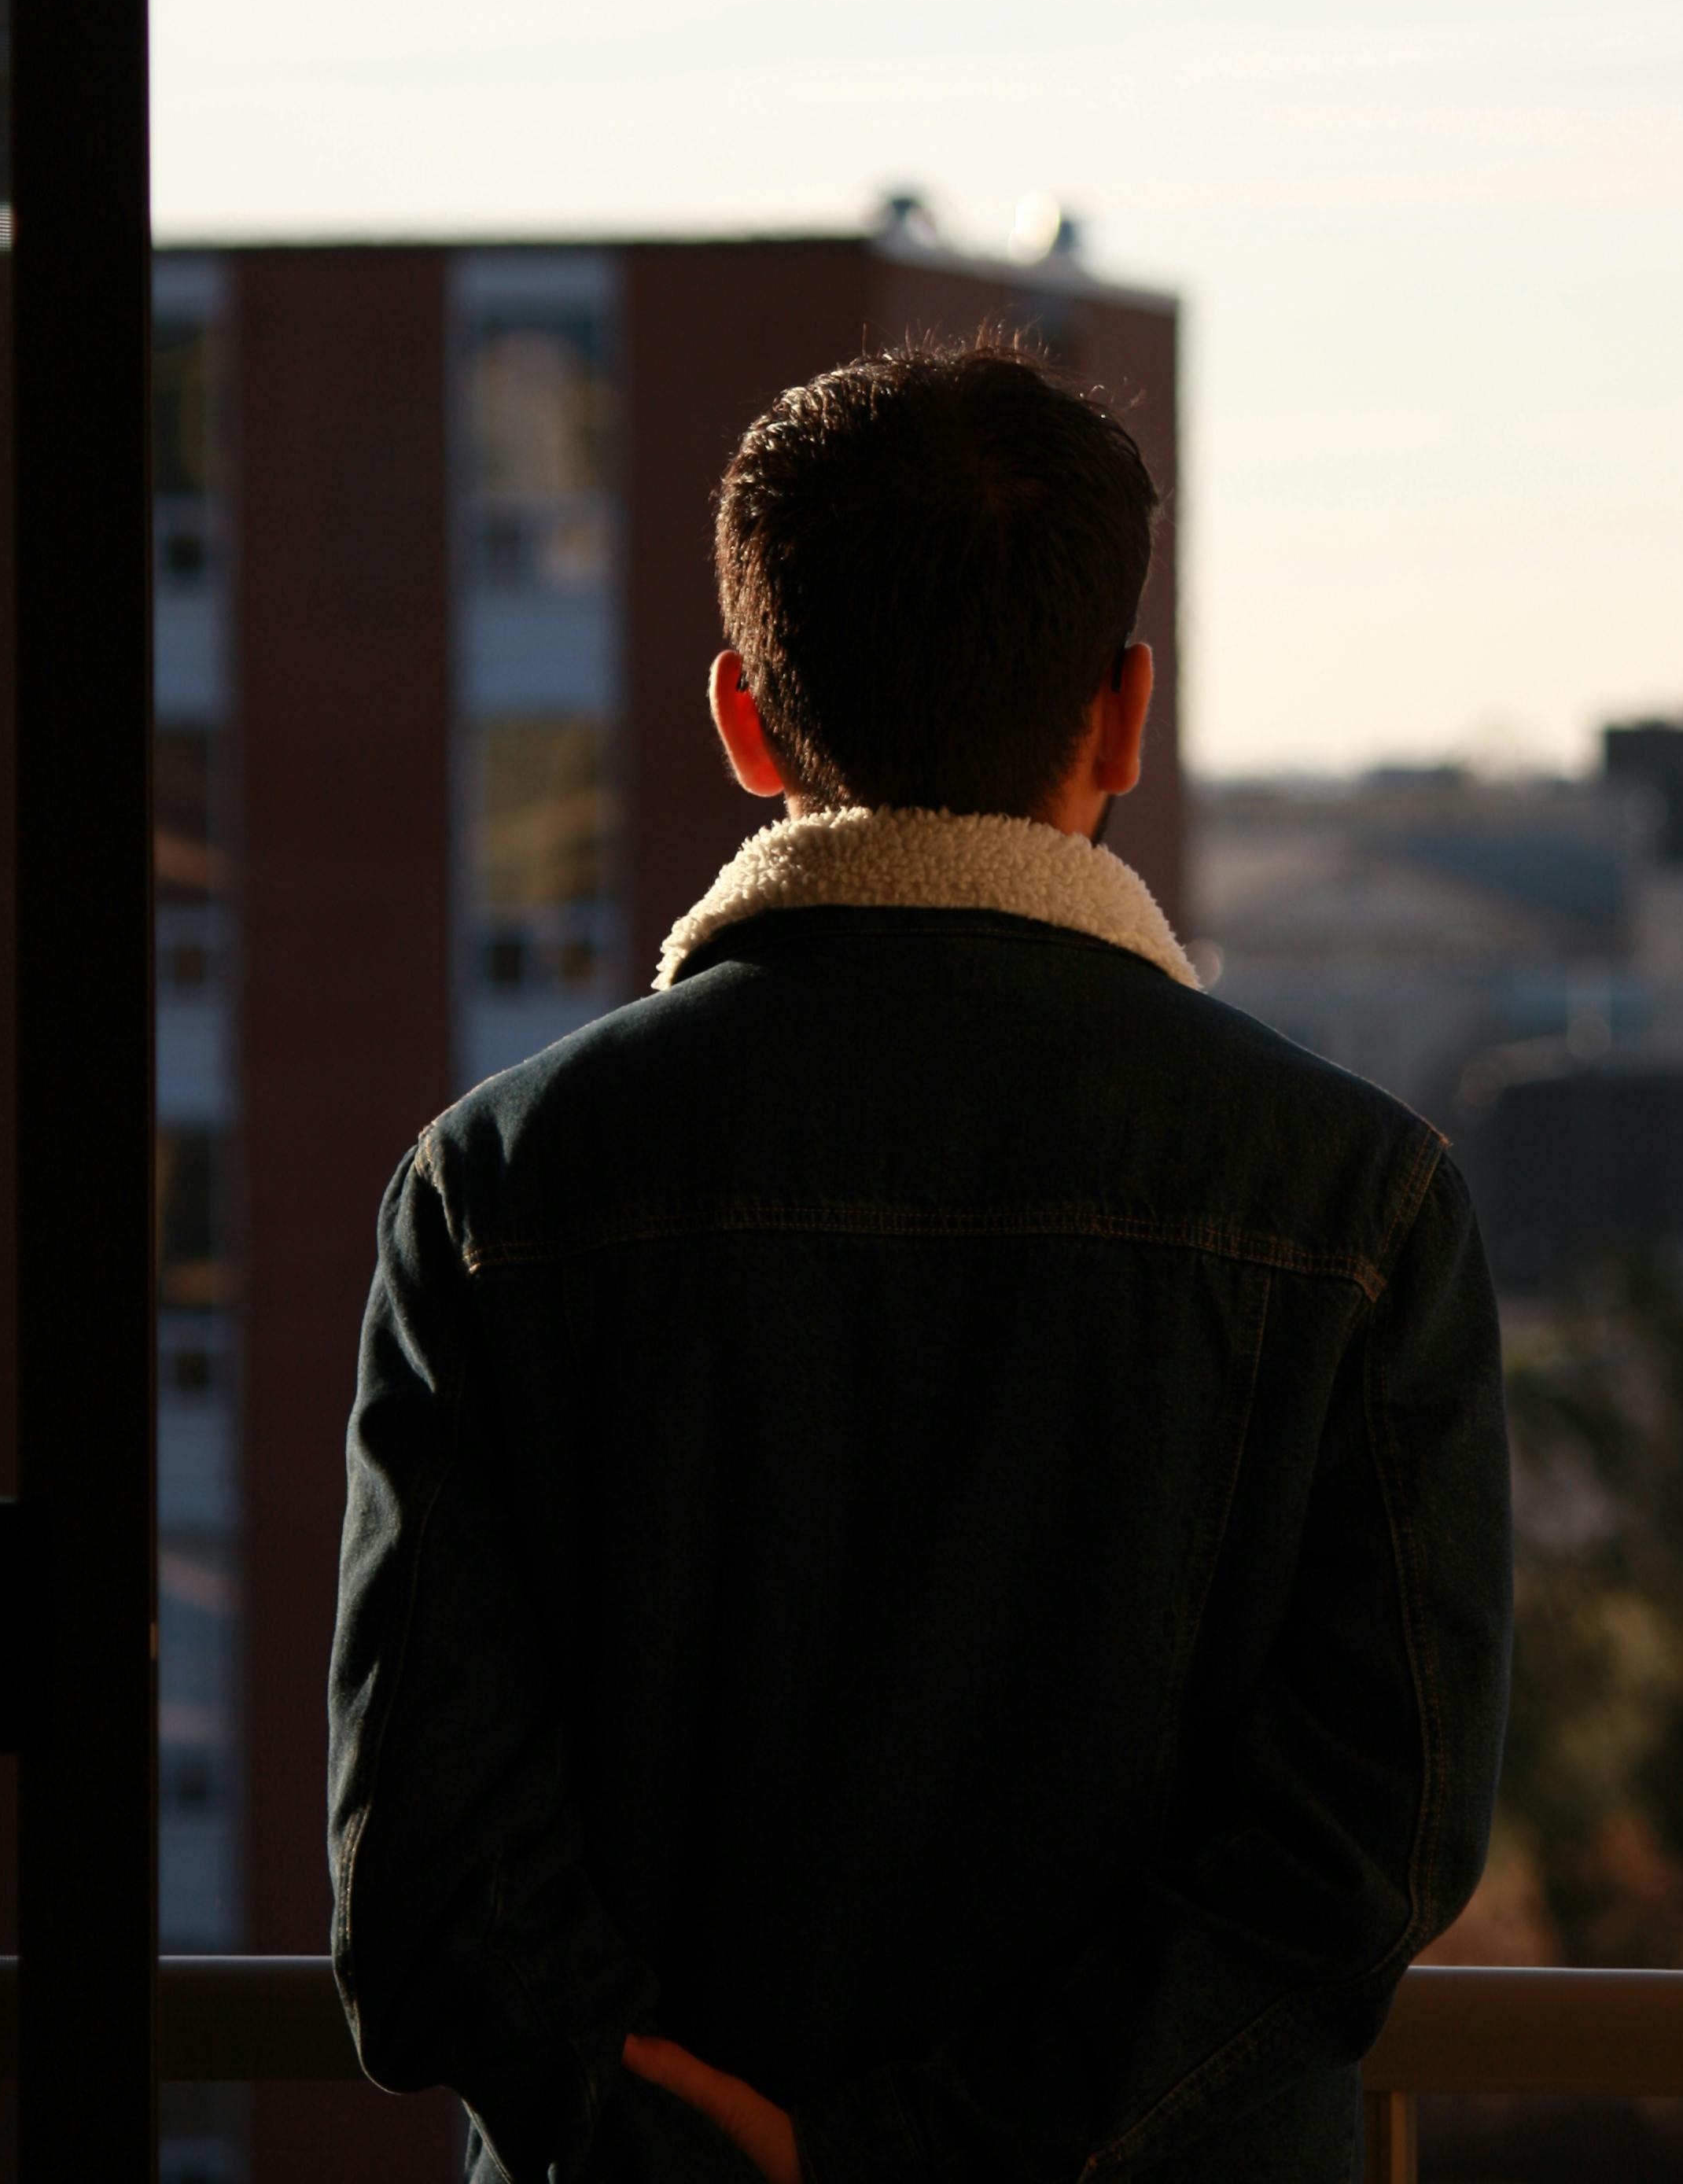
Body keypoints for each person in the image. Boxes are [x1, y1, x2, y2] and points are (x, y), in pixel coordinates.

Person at [328, 337, 1512, 2184]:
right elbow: (1367, 1848)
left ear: (743, 721)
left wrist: (697, 2154)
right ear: (1122, 718)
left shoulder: (496, 1192)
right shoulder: (1357, 1204)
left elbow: (423, 1873)